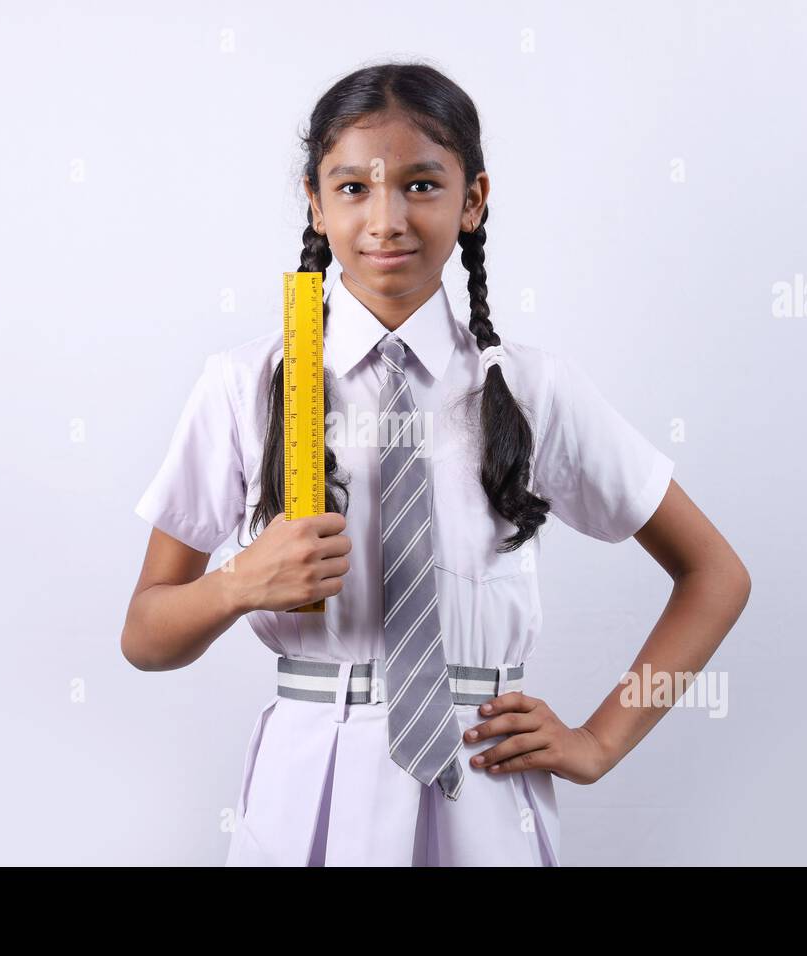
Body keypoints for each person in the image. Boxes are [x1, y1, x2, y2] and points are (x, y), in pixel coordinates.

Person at [121, 62, 751, 866]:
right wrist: (240, 582)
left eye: (421, 185)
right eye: (353, 189)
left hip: (483, 786)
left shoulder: (531, 389)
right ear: (315, 203)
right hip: (311, 789)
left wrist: (599, 742)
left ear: (473, 199)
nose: (386, 220)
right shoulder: (246, 384)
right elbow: (145, 635)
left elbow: (715, 574)